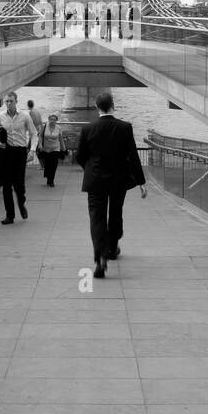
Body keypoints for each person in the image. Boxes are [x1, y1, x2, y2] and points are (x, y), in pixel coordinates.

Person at [75, 91, 147, 278]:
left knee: (96, 218)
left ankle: (100, 257)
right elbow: (132, 156)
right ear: (113, 105)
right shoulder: (125, 127)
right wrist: (141, 182)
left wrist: (90, 170)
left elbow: (80, 157)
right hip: (118, 180)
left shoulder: (88, 129)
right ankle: (112, 247)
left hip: (95, 180)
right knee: (116, 213)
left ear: (96, 108)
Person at [0, 91, 37, 224]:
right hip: (6, 152)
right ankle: (9, 216)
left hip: (20, 152)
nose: (9, 103)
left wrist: (32, 150)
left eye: (11, 101)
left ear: (16, 101)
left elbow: (34, 134)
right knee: (6, 186)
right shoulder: (0, 116)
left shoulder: (25, 116)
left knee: (19, 185)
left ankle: (21, 204)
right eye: (6, 101)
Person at [39, 113, 66, 186]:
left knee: (53, 165)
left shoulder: (59, 128)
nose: (52, 121)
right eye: (51, 119)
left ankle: (51, 181)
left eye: (54, 120)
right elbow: (40, 136)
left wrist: (64, 149)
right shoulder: (44, 126)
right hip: (46, 149)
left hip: (55, 149)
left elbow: (60, 138)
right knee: (47, 165)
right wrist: (40, 145)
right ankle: (48, 178)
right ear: (48, 120)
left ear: (56, 121)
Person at [26, 99, 44, 171]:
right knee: (37, 150)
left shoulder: (30, 112)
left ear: (28, 105)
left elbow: (29, 123)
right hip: (39, 131)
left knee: (30, 149)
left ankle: (24, 162)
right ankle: (42, 165)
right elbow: (40, 122)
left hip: (34, 133)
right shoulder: (37, 111)